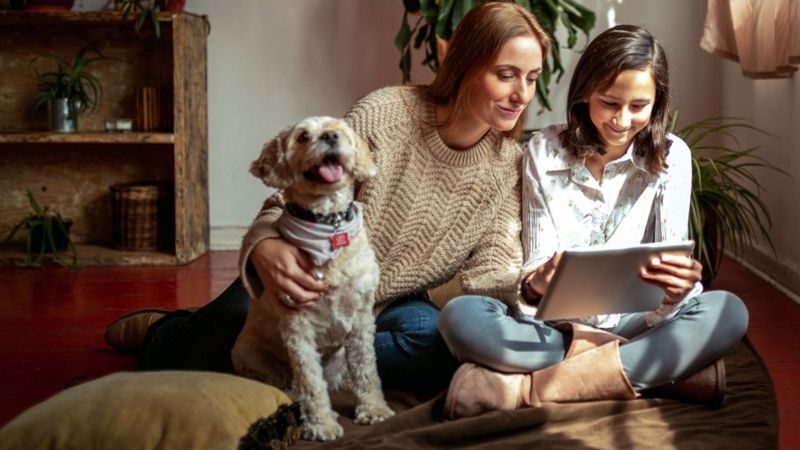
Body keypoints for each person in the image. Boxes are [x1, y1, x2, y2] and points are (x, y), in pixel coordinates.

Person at [104, 1, 551, 397]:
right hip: (311, 275)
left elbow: (489, 267)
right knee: (204, 348)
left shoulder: (506, 166)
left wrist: (530, 286)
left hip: (390, 303)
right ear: (466, 65)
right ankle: (165, 332)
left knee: (432, 342)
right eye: (506, 75)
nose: (522, 95)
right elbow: (295, 193)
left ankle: (296, 367)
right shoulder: (386, 114)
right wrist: (265, 245)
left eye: (531, 79)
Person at [438, 24, 749, 418]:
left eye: (639, 106)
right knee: (461, 317)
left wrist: (678, 288)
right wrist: (537, 284)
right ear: (585, 92)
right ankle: (649, 371)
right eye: (610, 102)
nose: (622, 120)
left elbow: (671, 266)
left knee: (728, 311)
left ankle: (531, 389)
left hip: (638, 322)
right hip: (555, 329)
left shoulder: (672, 156)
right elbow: (536, 263)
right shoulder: (544, 150)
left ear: (657, 103)